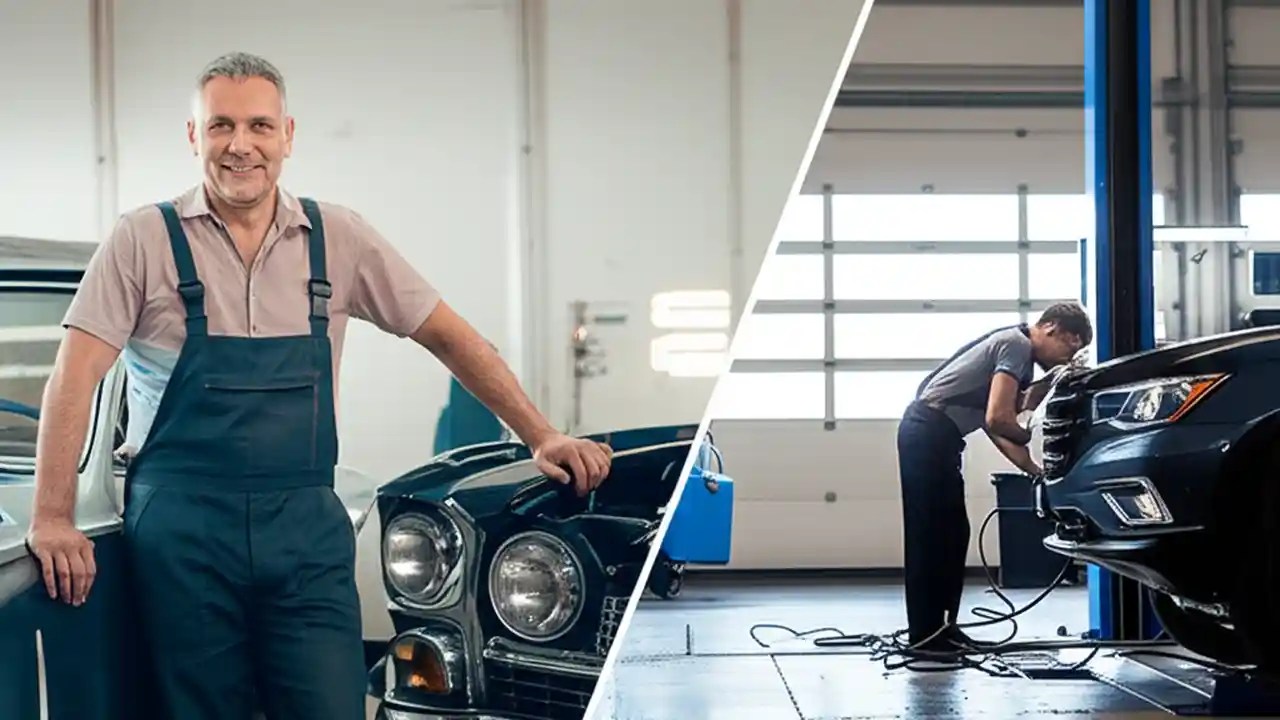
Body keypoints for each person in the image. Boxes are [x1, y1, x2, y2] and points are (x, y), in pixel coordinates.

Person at [24, 51, 612, 720]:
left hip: (302, 528)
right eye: (220, 126)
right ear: (194, 137)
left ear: (287, 135)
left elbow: (451, 336)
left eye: (259, 126)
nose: (240, 146)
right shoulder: (141, 241)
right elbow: (74, 376)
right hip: (182, 531)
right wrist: (51, 516)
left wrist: (541, 434)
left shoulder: (339, 237)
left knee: (330, 704)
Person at [896, 302, 1092, 653]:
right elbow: (999, 421)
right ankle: (925, 636)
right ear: (1050, 327)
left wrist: (1036, 472)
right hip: (927, 431)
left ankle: (942, 628)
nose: (1069, 357)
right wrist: (1025, 425)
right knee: (932, 533)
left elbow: (997, 426)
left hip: (938, 437)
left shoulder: (1020, 361)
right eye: (1070, 345)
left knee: (953, 533)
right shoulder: (1015, 345)